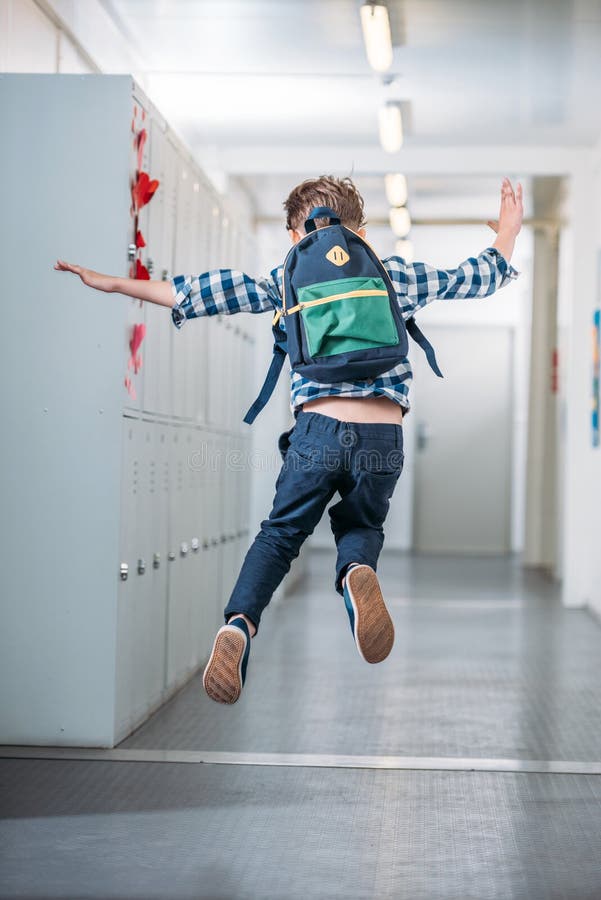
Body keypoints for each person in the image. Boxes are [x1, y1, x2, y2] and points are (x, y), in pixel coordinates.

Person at [55, 174, 523, 705]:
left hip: (318, 431)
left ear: (295, 233)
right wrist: (507, 232)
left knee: (280, 535)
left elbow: (198, 292)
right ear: (361, 228)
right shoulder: (396, 276)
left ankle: (238, 625)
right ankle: (357, 572)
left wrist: (111, 282)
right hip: (383, 435)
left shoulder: (286, 279)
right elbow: (476, 277)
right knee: (362, 522)